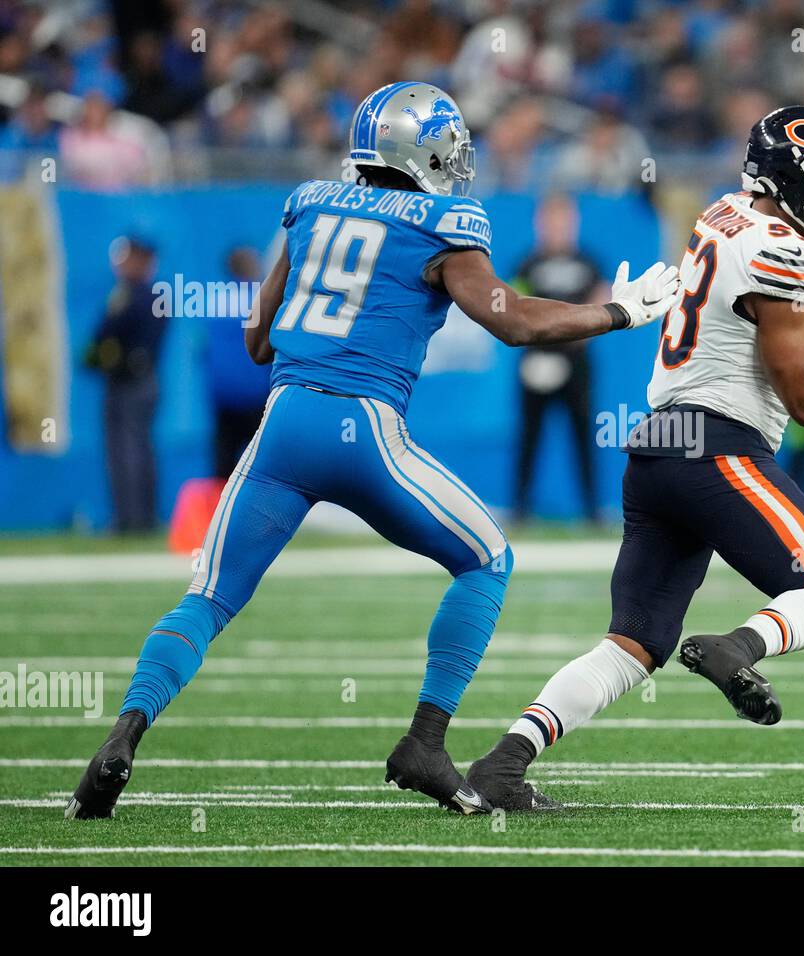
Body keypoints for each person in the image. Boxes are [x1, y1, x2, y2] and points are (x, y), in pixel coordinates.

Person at [66, 82, 681, 820]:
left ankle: (121, 737)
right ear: (418, 151)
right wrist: (621, 311)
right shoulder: (442, 220)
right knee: (486, 559)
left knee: (207, 599)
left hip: (284, 422)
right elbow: (513, 322)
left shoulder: (313, 203)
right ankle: (425, 741)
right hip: (365, 430)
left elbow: (258, 341)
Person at [466, 106, 804, 810]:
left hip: (659, 450)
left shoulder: (726, 213)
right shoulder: (785, 250)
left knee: (633, 643)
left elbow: (754, 328)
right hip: (716, 446)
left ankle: (502, 765)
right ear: (790, 175)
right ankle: (737, 647)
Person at [512, 194, 604, 522]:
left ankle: (592, 511)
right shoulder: (528, 264)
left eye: (563, 221)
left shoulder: (588, 263)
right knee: (529, 437)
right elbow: (515, 306)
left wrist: (571, 342)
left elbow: (602, 304)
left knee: (582, 436)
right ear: (540, 224)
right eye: (551, 221)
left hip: (576, 362)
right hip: (536, 359)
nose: (557, 228)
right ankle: (520, 509)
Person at [85, 235, 165, 534]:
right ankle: (140, 516)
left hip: (131, 381)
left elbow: (109, 333)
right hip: (140, 380)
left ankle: (131, 519)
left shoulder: (134, 294)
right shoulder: (154, 294)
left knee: (128, 450)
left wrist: (100, 358)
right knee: (137, 449)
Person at [205, 247, 271, 478]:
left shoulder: (216, 299)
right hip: (257, 397)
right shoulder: (263, 298)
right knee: (263, 466)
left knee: (223, 465)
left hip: (223, 398)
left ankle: (221, 512)